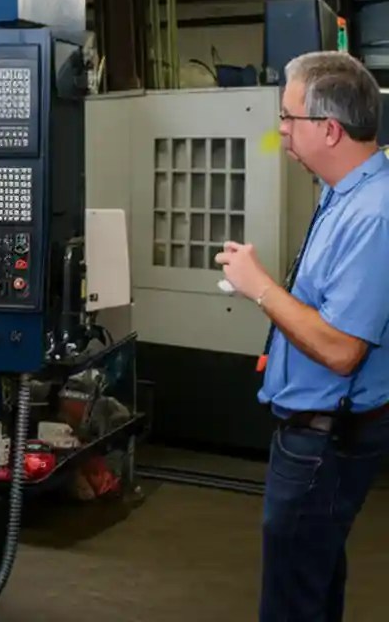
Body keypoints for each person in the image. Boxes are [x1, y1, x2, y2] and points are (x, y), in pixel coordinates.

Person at [215, 50, 389, 622]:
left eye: (289, 118)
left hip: (326, 442)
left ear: (329, 130)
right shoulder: (343, 194)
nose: (281, 130)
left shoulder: (374, 214)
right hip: (315, 432)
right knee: (311, 579)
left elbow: (342, 350)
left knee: (291, 600)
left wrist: (259, 286)